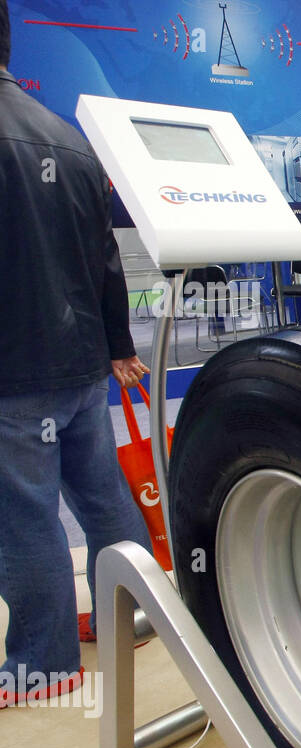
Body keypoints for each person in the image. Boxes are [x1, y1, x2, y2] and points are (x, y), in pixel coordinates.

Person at [1, 1, 155, 708]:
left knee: (25, 515)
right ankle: (134, 620)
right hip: (80, 363)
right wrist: (119, 346)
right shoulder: (67, 138)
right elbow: (107, 262)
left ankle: (41, 664)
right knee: (102, 498)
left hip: (14, 371)